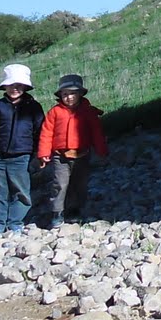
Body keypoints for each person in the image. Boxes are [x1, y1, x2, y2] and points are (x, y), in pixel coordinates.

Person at [34, 73, 108, 228]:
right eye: (65, 94)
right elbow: (46, 133)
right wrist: (43, 154)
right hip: (60, 157)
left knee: (79, 184)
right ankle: (57, 212)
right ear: (60, 95)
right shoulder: (54, 112)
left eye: (72, 93)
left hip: (82, 155)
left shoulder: (88, 112)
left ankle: (74, 209)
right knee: (60, 184)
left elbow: (96, 132)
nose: (68, 97)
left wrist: (101, 150)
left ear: (80, 94)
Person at [0, 63, 44, 236]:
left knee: (21, 190)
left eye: (19, 85)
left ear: (25, 86)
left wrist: (38, 154)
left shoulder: (34, 107)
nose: (15, 89)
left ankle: (16, 222)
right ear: (5, 86)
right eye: (11, 85)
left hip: (22, 156)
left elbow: (41, 131)